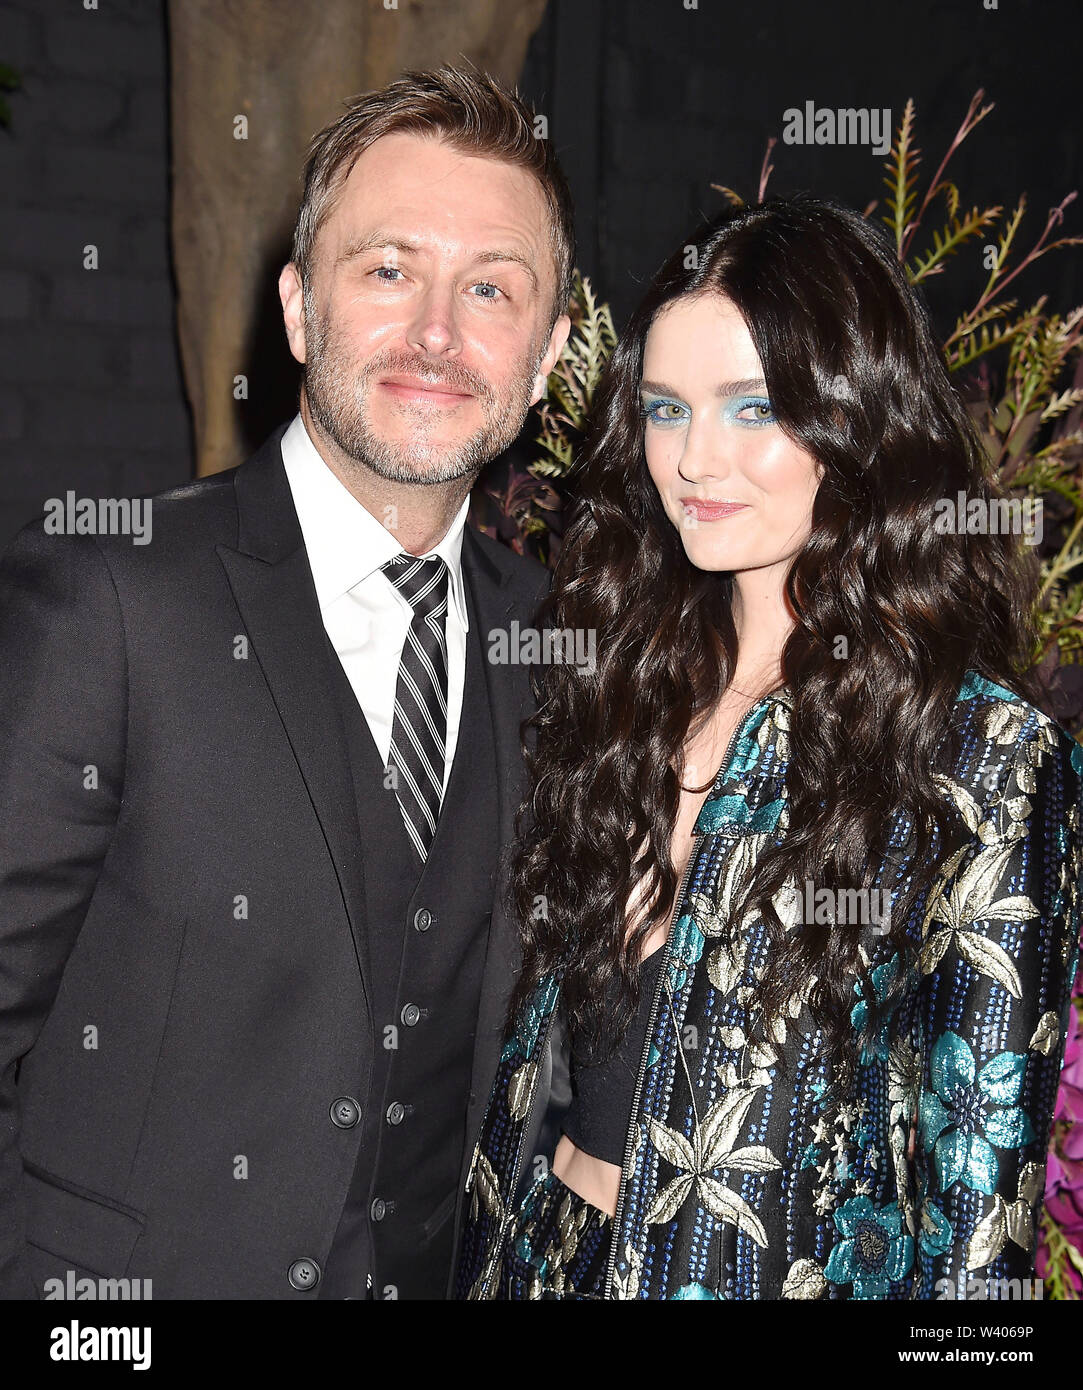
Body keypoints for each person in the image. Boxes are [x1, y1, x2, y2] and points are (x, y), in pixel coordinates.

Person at [0, 64, 572, 1300]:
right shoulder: (111, 603)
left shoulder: (566, 649)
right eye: (387, 270)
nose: (436, 330)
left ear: (548, 354)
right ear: (300, 309)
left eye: (490, 289)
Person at [456, 196, 1083, 1300]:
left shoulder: (984, 759)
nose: (696, 458)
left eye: (754, 409)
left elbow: (980, 1229)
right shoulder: (614, 689)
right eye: (665, 407)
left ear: (856, 417)